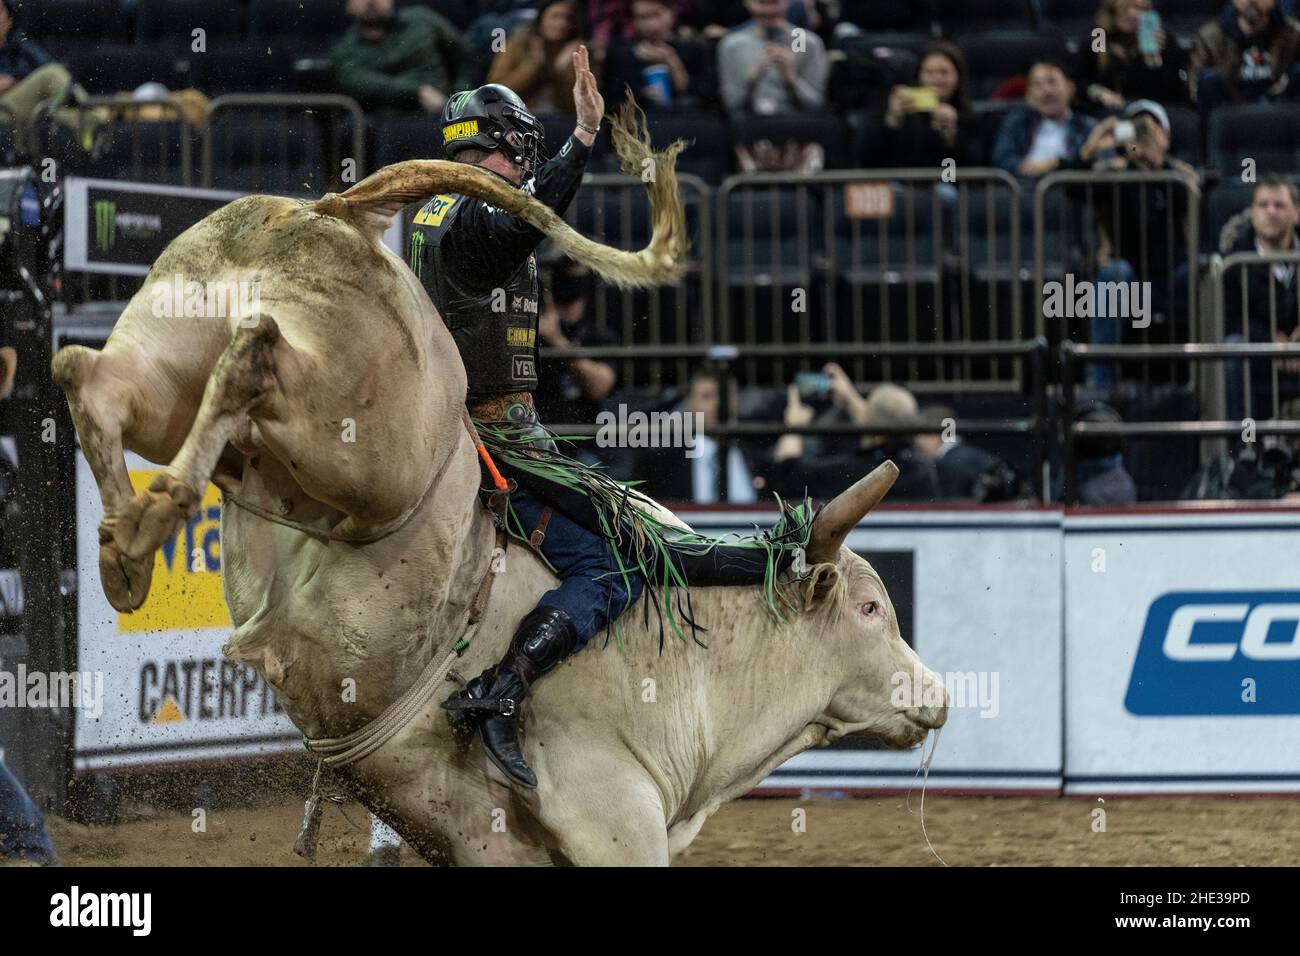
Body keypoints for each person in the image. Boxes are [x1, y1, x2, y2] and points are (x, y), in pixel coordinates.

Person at [406, 56, 629, 790]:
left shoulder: (436, 209)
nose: (526, 167)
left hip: (467, 434)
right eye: (524, 152)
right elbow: (528, 216)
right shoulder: (473, 217)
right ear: (509, 147)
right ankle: (503, 694)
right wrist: (586, 138)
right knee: (612, 563)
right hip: (493, 446)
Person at [1072, 99, 1197, 388]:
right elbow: (1075, 190)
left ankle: (1203, 381)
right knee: (1115, 274)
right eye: (1135, 129)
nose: (1142, 135)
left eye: (1150, 129)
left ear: (1166, 136)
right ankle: (1099, 388)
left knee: (1200, 274)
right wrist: (1091, 148)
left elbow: (1190, 205)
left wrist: (1158, 165)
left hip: (1169, 276)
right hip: (1128, 280)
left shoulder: (1180, 173)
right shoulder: (1111, 173)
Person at [767, 372, 940, 501]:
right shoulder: (922, 468)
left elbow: (786, 474)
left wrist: (794, 428)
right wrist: (849, 396)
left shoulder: (853, 472)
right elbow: (886, 420)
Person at [1221, 175, 1300, 422]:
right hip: (1259, 353)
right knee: (1234, 346)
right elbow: (1231, 320)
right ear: (1252, 212)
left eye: (1279, 205)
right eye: (1263, 205)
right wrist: (1270, 340)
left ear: (1296, 213)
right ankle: (1243, 450)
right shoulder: (1235, 261)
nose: (1271, 212)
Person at [717, 0, 829, 171]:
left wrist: (792, 79)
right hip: (751, 127)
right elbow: (732, 105)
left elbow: (816, 104)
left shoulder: (806, 41)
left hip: (797, 127)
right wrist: (752, 77)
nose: (768, 5)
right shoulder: (732, 44)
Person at [633, 366, 758, 504]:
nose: (717, 404)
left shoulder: (757, 455)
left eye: (725, 395)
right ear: (690, 402)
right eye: (707, 396)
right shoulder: (661, 462)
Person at [0, 0, 106, 159]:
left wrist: (17, 80)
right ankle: (99, 116)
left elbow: (55, 67)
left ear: (9, 20)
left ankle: (91, 130)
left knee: (56, 113)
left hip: (31, 107)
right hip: (3, 109)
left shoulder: (20, 47)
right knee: (51, 75)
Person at [330, 0, 470, 114]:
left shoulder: (422, 20)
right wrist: (417, 92)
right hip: (384, 122)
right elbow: (360, 84)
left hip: (442, 112)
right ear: (348, 5)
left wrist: (459, 97)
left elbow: (466, 54)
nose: (371, 1)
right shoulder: (343, 51)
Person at [531, 257, 619, 432]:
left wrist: (556, 339)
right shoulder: (530, 334)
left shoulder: (598, 335)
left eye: (578, 282)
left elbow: (600, 386)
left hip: (584, 442)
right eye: (565, 277)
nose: (570, 292)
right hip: (539, 439)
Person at [875, 41, 982, 169]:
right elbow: (871, 162)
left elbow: (972, 173)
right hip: (900, 184)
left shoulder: (969, 117)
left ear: (958, 76)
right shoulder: (899, 108)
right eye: (929, 72)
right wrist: (892, 122)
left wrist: (951, 137)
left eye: (944, 72)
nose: (936, 79)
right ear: (919, 75)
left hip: (946, 184)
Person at [1190, 0, 1300, 119]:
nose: (1251, 1)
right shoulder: (1211, 36)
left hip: (1279, 108)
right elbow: (1194, 87)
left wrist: (1287, 83)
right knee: (1208, 80)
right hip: (1228, 111)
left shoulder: (1293, 34)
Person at [601, 0, 717, 111]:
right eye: (643, 17)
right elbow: (610, 103)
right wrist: (640, 97)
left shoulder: (694, 48)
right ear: (633, 20)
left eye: (657, 15)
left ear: (672, 12)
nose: (652, 24)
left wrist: (673, 64)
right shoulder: (621, 53)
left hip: (687, 119)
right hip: (640, 121)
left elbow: (708, 98)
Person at [1077, 0, 1188, 113]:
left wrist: (1153, 58)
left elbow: (1174, 91)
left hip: (1155, 110)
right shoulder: (1100, 37)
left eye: (1143, 9)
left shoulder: (1162, 41)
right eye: (1129, 7)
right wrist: (1098, 92)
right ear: (1113, 10)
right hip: (1111, 111)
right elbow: (1080, 82)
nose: (1135, 15)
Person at [992, 60, 1098, 177]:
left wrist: (1058, 164)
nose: (1046, 90)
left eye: (1052, 82)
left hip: (1071, 192)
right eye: (1037, 84)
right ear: (1028, 95)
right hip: (1022, 189)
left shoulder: (1088, 126)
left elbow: (1102, 161)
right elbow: (1001, 160)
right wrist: (1026, 167)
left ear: (1070, 88)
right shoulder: (1016, 122)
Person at [486, 0, 586, 116]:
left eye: (568, 18)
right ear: (541, 19)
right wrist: (532, 66)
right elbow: (495, 91)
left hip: (562, 121)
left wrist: (561, 70)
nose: (562, 24)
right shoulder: (518, 44)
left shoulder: (578, 51)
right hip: (518, 117)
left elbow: (581, 106)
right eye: (555, 16)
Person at [912, 405, 1019, 501]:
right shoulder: (974, 456)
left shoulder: (946, 466)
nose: (916, 442)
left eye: (919, 435)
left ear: (935, 436)